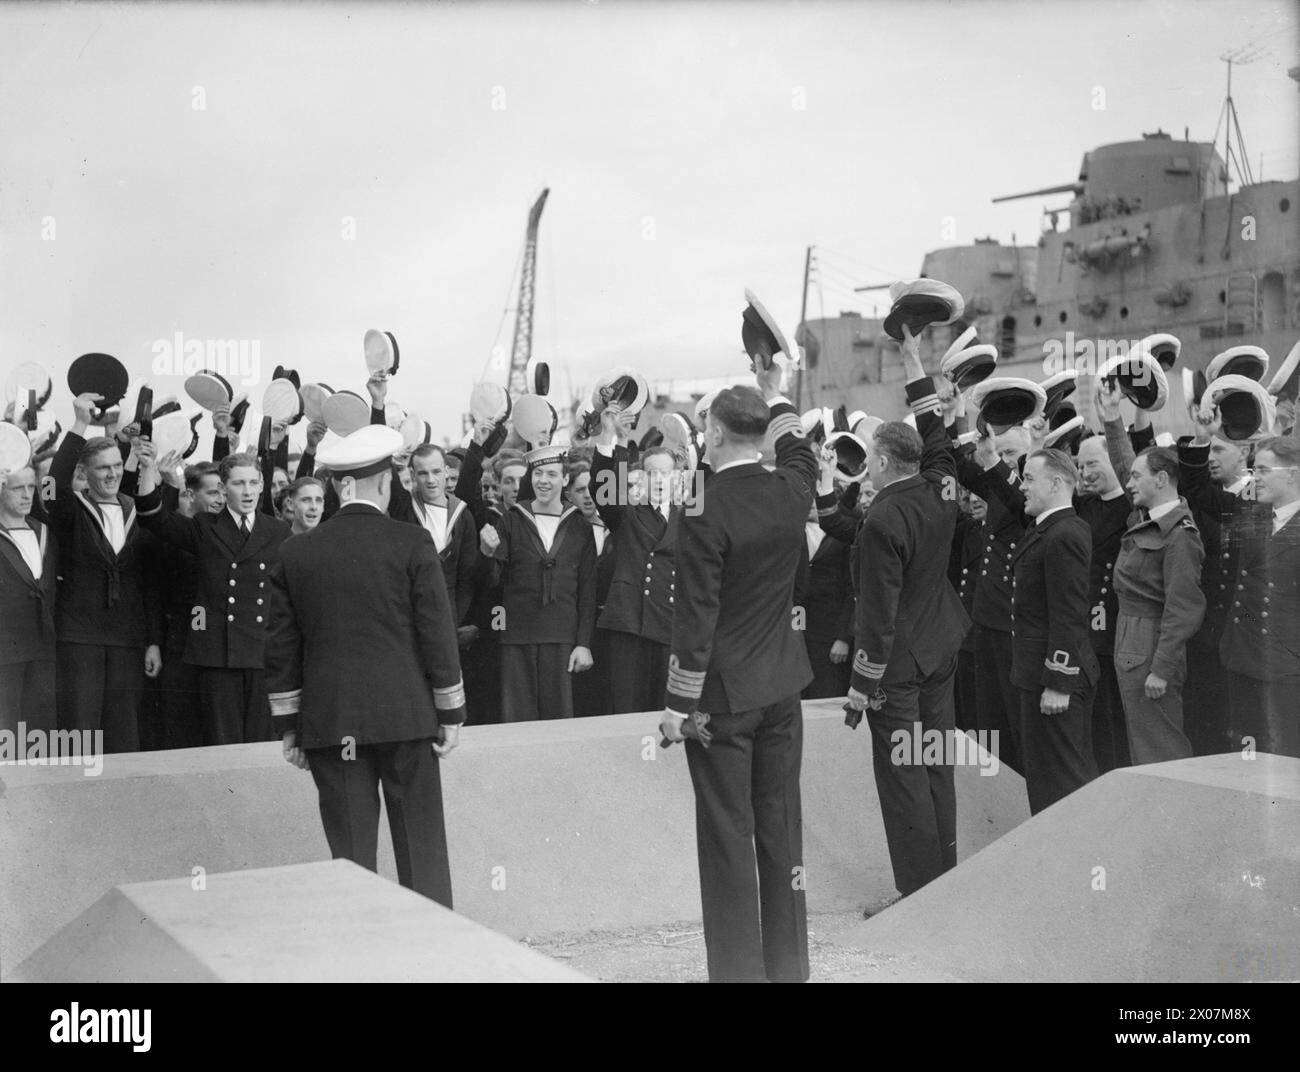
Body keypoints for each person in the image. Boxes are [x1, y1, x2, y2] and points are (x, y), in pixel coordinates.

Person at [659, 361, 816, 984]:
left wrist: (676, 705)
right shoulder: (792, 489)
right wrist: (775, 394)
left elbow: (696, 617)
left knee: (728, 836)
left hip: (721, 698)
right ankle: (788, 968)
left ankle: (739, 975)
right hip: (782, 686)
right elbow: (799, 450)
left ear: (717, 434)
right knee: (781, 829)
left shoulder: (703, 508)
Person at [266, 424, 465, 904]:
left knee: (352, 856)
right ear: (386, 482)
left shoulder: (295, 551)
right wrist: (450, 712)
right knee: (421, 849)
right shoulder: (413, 542)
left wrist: (289, 727)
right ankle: (433, 940)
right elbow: (437, 633)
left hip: (332, 721)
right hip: (407, 717)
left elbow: (281, 647)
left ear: (340, 486)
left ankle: (358, 942)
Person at [844, 333, 968, 898]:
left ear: (883, 462)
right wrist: (914, 361)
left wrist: (861, 686)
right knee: (935, 761)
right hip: (940, 649)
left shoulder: (881, 521)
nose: (866, 467)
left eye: (870, 459)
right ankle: (945, 877)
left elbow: (877, 616)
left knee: (903, 775)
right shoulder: (942, 487)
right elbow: (936, 432)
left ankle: (918, 891)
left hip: (895, 670)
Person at [135, 444, 291, 745]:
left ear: (262, 485)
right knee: (224, 743)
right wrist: (147, 468)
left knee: (261, 743)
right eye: (239, 483)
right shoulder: (205, 526)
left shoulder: (278, 531)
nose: (247, 491)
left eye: (253, 482)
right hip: (219, 655)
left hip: (262, 653)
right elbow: (153, 517)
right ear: (223, 488)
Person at [47, 392, 163, 753]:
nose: (112, 473)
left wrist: (153, 640)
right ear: (85, 473)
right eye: (102, 468)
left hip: (127, 637)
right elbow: (52, 486)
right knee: (80, 730)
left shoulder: (135, 510)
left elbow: (149, 583)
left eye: (116, 465)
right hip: (80, 636)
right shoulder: (72, 509)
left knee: (123, 732)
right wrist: (80, 424)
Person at [1010, 449, 1100, 814]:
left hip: (1056, 681)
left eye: (1030, 479)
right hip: (1038, 675)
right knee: (1047, 781)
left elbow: (1069, 613)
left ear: (1057, 483)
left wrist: (1059, 682)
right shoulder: (1048, 528)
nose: (1022, 487)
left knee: (1065, 782)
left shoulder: (1064, 533)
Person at [480, 447, 596, 721]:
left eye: (552, 474)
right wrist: (487, 552)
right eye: (538, 473)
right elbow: (492, 581)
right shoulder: (511, 520)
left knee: (559, 725)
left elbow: (588, 590)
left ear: (565, 479)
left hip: (562, 637)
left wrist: (583, 643)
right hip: (517, 637)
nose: (543, 481)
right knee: (517, 724)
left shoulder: (580, 525)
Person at [1109, 447, 1206, 763]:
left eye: (1136, 477)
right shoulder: (1149, 517)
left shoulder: (1179, 535)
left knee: (1159, 745)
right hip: (1133, 638)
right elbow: (1122, 461)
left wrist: (1162, 670)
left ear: (1161, 479)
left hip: (1151, 643)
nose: (1129, 483)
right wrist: (1111, 422)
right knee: (1143, 741)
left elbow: (1183, 608)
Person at [591, 410, 681, 713]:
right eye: (652, 473)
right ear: (642, 477)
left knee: (665, 709)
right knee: (627, 709)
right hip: (630, 624)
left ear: (677, 477)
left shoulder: (690, 518)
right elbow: (603, 492)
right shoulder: (628, 514)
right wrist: (614, 438)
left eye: (665, 473)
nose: (659, 480)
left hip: (670, 625)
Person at [1218, 436, 1300, 758]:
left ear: (1293, 474)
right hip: (1242, 656)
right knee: (1246, 753)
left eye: (1264, 470)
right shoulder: (1255, 517)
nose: (1255, 478)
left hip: (1285, 668)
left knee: (1284, 757)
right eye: (1254, 470)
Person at [0, 464, 58, 732]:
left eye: (31, 487)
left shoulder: (43, 531)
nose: (26, 495)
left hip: (41, 646)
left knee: (39, 729)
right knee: (6, 729)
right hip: (5, 650)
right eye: (17, 488)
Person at [566, 460, 615, 717]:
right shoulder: (564, 530)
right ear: (568, 495)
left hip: (608, 627)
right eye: (580, 490)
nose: (588, 495)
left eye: (591, 488)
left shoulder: (614, 529)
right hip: (574, 627)